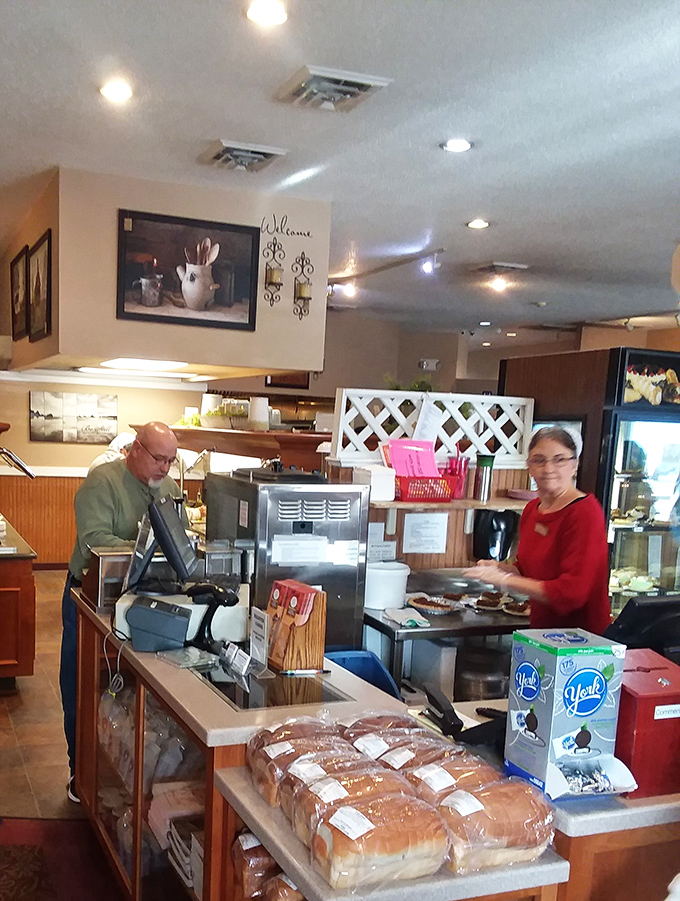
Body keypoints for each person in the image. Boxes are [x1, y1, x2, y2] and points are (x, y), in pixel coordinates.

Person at [60, 421, 180, 802]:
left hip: (146, 600)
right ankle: (80, 772)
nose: (165, 468)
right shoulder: (102, 483)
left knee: (136, 693)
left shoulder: (171, 489)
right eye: (159, 458)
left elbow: (180, 536)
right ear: (135, 450)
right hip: (91, 597)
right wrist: (148, 548)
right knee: (81, 685)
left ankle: (130, 777)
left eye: (171, 461)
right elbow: (96, 540)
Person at [466, 426, 611, 634]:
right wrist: (500, 569)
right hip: (542, 634)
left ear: (575, 465)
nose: (548, 468)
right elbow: (528, 571)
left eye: (559, 459)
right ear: (529, 467)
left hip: (582, 642)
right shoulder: (532, 509)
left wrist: (505, 580)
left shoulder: (585, 512)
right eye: (539, 460)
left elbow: (572, 593)